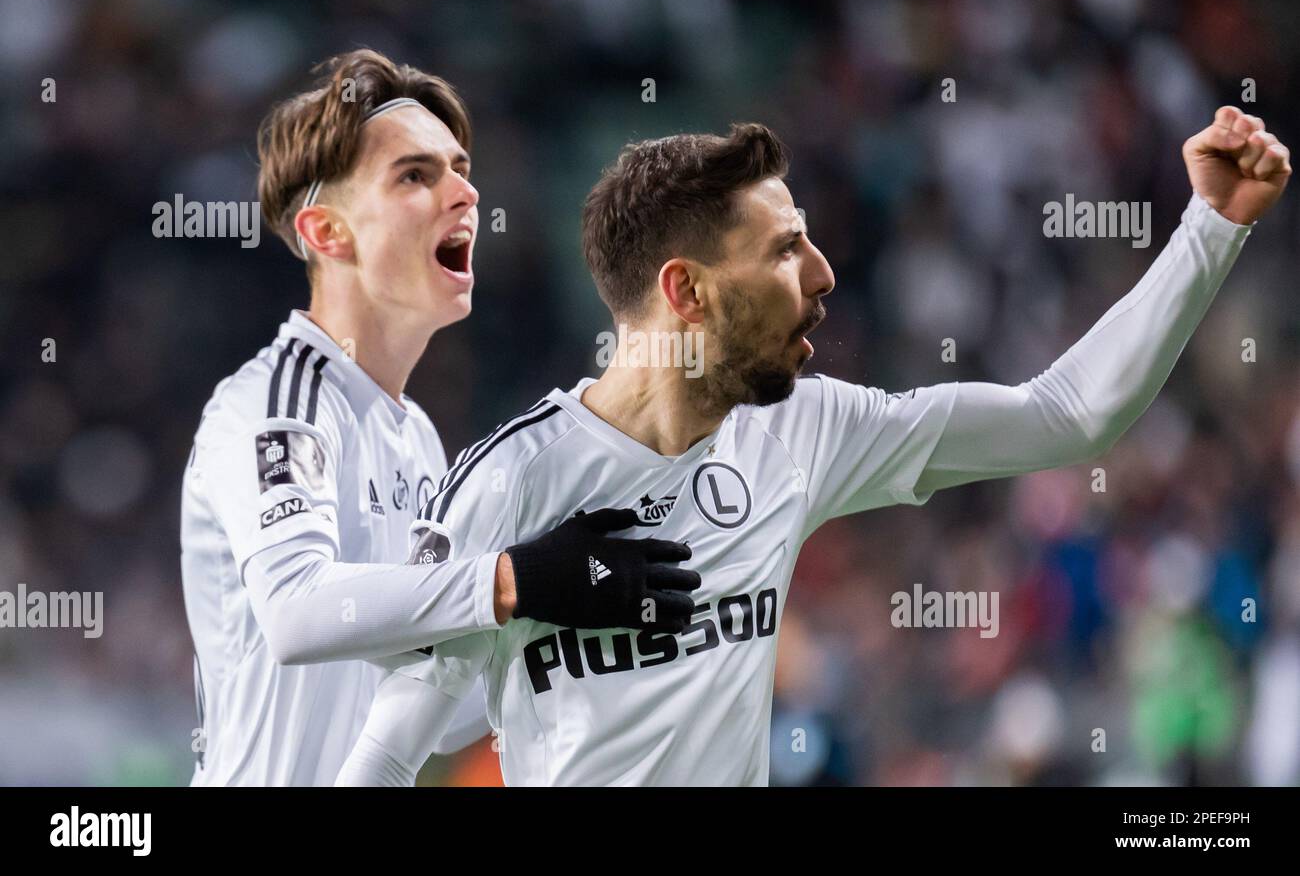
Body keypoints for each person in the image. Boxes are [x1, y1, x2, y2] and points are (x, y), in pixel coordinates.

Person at [337, 107, 1289, 786]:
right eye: (786, 250)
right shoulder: (512, 487)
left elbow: (1068, 414)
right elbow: (384, 757)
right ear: (688, 290)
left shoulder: (801, 430)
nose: (826, 275)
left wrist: (1212, 226)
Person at [180, 49, 698, 786]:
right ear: (328, 233)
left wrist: (570, 611)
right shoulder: (277, 405)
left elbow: (428, 688)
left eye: (460, 169)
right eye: (416, 175)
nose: (466, 192)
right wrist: (518, 579)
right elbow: (297, 612)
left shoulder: (413, 435)